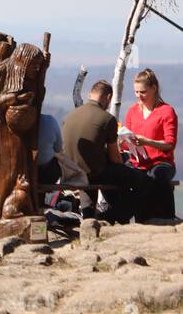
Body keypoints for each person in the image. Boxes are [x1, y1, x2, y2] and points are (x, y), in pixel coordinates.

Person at [62, 79, 148, 223]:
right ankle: (121, 214)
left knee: (96, 177)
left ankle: (90, 220)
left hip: (72, 172)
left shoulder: (69, 116)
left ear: (90, 94)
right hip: (93, 173)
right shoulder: (107, 119)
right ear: (108, 98)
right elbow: (115, 158)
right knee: (140, 179)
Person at [121, 68, 177, 221]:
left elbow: (169, 144)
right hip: (138, 163)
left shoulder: (167, 111)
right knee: (121, 174)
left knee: (155, 176)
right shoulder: (132, 111)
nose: (139, 96)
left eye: (143, 92)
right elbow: (128, 145)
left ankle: (167, 217)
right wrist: (121, 142)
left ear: (154, 88)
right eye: (136, 92)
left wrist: (146, 141)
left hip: (161, 163)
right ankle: (133, 218)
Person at [36, 111, 63, 186]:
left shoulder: (14, 124)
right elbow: (58, 148)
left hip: (23, 174)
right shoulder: (50, 121)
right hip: (47, 175)